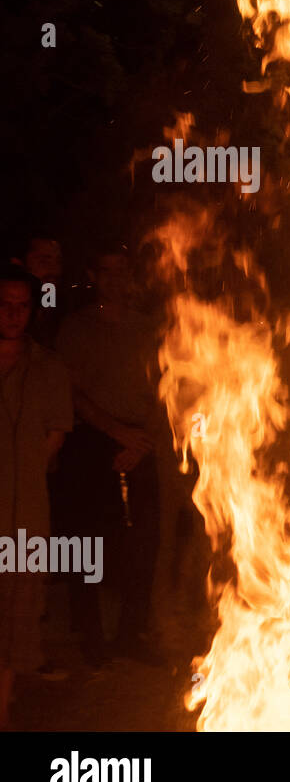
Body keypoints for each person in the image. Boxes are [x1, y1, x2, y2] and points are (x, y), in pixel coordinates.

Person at [52, 245, 165, 666]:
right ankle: (92, 637)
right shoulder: (77, 328)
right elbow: (72, 392)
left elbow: (167, 388)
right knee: (90, 543)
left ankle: (131, 634)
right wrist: (115, 432)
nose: (116, 279)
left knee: (143, 542)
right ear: (93, 274)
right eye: (107, 271)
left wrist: (142, 439)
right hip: (94, 442)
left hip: (141, 443)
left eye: (123, 271)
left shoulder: (148, 328)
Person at [0, 264, 74, 727]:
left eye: (22, 307)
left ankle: (2, 709)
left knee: (18, 613)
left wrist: (21, 469)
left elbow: (56, 433)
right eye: (4, 306)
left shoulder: (47, 366)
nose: (13, 316)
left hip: (25, 511)